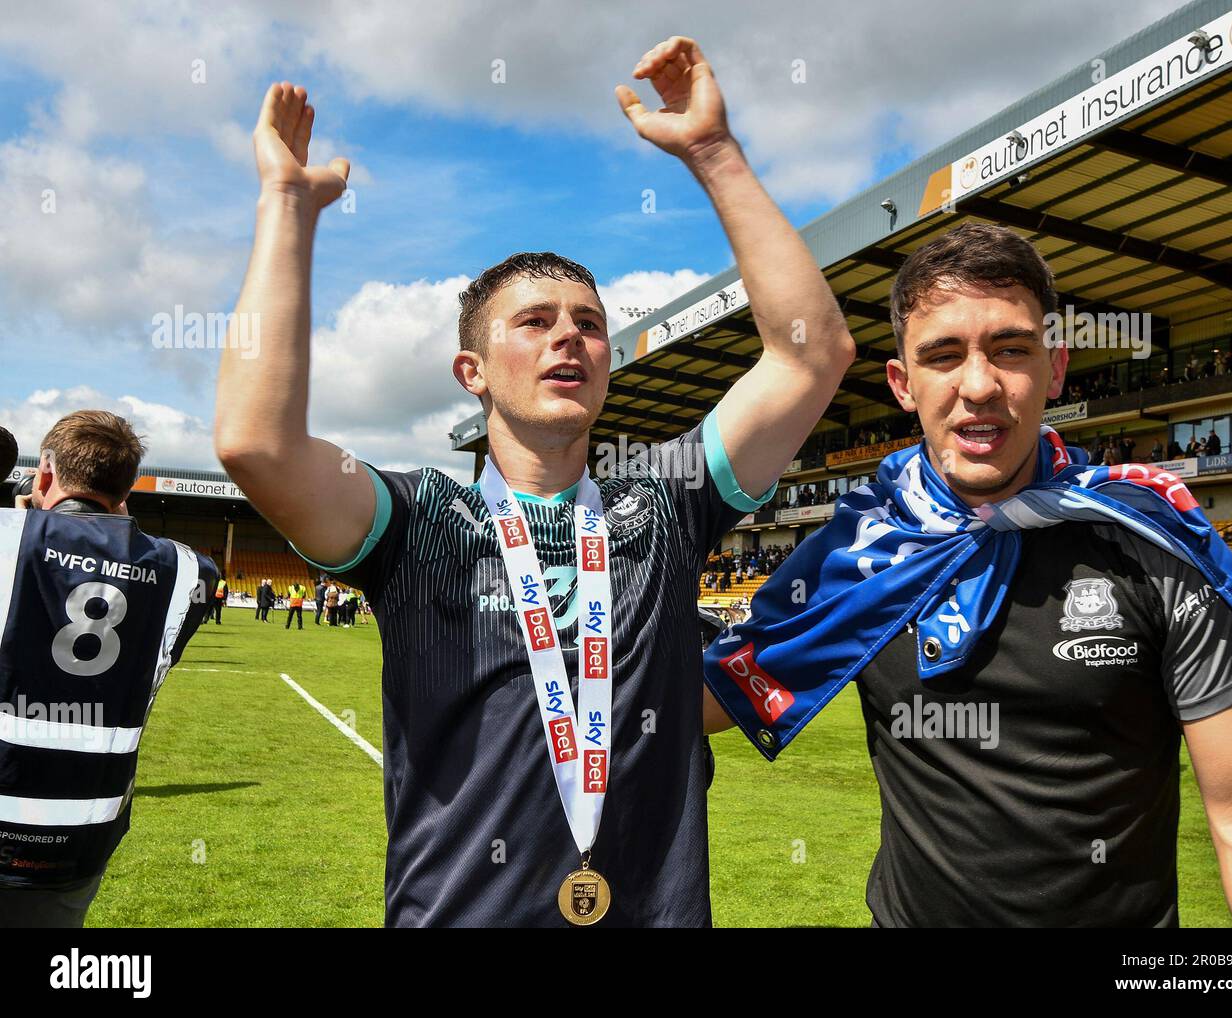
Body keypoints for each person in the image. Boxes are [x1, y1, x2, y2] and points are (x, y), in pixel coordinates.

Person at [213, 38, 855, 927]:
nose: (569, 338)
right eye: (537, 322)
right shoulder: (420, 518)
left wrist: (713, 152)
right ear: (471, 372)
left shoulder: (662, 501)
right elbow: (256, 443)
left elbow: (811, 354)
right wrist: (287, 205)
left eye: (589, 326)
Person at [703, 222, 1232, 928]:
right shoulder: (857, 554)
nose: (978, 385)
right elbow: (693, 703)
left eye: (1011, 349)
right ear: (903, 383)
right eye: (943, 355)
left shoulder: (1153, 539)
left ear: (1055, 367)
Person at [0, 411, 215, 927]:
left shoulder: (13, 537)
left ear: (45, 475)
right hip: (84, 828)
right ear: (126, 492)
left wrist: (27, 515)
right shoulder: (189, 570)